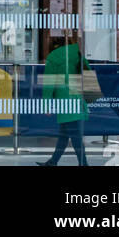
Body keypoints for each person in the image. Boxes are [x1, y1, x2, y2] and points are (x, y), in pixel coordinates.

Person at [39, 37, 90, 166]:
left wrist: (46, 104)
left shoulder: (53, 57)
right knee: (64, 135)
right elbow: (88, 72)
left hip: (65, 100)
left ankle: (84, 164)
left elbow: (48, 83)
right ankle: (52, 162)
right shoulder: (78, 53)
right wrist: (89, 99)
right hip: (77, 96)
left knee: (76, 136)